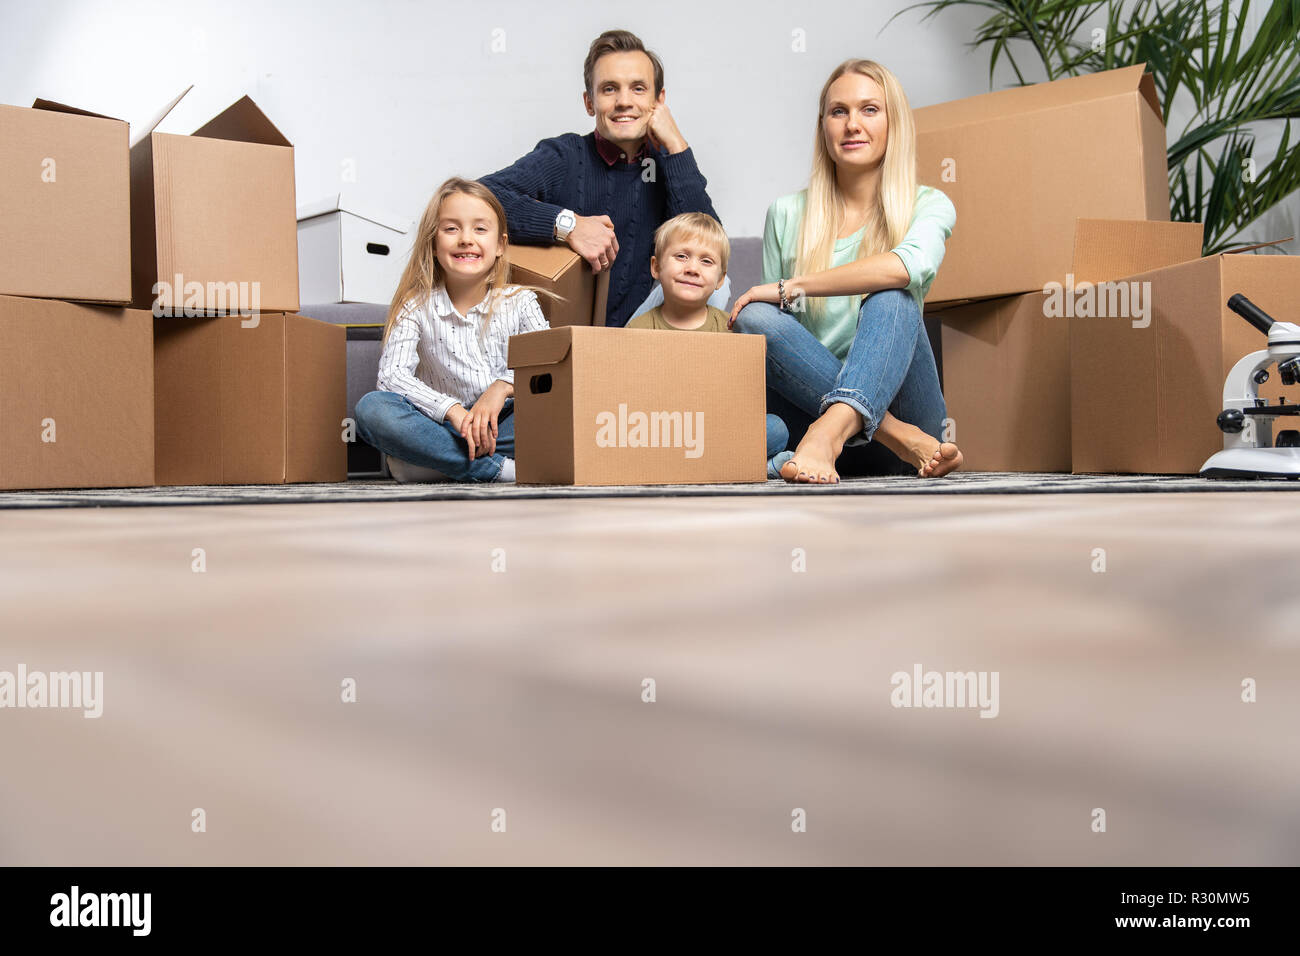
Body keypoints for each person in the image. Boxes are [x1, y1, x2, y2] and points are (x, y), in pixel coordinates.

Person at [730, 58, 963, 484]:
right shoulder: (785, 213)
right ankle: (874, 432)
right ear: (823, 126)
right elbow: (778, 339)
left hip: (907, 418)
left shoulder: (928, 205)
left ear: (894, 123)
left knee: (894, 293)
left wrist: (795, 285)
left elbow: (905, 266)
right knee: (753, 316)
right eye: (839, 111)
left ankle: (835, 430)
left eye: (870, 110)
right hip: (835, 433)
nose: (852, 124)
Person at [480, 28, 728, 328]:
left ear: (659, 100)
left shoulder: (667, 167)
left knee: (719, 286)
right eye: (609, 89)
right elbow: (477, 200)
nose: (624, 101)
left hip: (642, 334)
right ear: (589, 102)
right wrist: (567, 225)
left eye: (638, 88)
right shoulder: (565, 156)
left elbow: (709, 246)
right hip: (564, 331)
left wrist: (676, 146)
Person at [354, 178, 549, 483]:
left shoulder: (521, 302)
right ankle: (494, 469)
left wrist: (500, 388)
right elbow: (392, 376)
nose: (466, 239)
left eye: (480, 229)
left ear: (500, 245)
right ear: (433, 244)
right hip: (440, 426)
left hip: (504, 427)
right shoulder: (415, 306)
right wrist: (453, 411)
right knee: (372, 410)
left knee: (562, 411)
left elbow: (548, 368)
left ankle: (434, 463)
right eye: (451, 229)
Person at [627, 213, 796, 479]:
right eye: (681, 256)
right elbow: (626, 398)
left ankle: (707, 467)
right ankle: (751, 468)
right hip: (664, 432)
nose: (692, 268)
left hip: (715, 429)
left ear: (720, 279)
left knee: (776, 429)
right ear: (656, 266)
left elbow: (741, 398)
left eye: (706, 261)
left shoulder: (729, 328)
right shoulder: (638, 330)